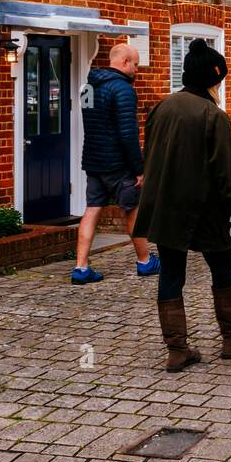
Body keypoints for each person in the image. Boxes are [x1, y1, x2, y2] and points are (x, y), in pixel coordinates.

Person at [134, 38, 231, 371]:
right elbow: (227, 175)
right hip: (206, 211)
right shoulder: (214, 116)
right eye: (220, 79)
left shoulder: (161, 108)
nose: (221, 85)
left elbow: (149, 157)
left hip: (167, 208)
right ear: (212, 79)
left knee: (172, 274)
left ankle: (177, 349)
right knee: (223, 270)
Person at [71, 43, 159, 285]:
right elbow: (127, 133)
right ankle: (145, 261)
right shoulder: (123, 90)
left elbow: (90, 123)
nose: (137, 70)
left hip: (94, 160)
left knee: (91, 209)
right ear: (124, 62)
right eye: (136, 64)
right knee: (132, 210)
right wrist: (139, 168)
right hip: (118, 164)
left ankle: (81, 267)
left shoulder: (88, 87)